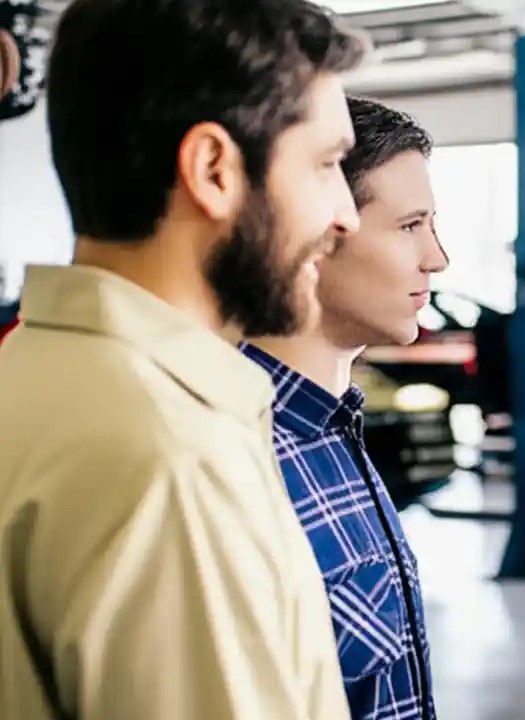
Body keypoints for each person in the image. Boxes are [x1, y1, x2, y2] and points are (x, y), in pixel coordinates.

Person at [0, 1, 365, 718]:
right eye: (326, 164)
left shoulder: (28, 376)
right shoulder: (171, 456)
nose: (346, 214)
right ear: (213, 170)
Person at [242, 95, 448, 720]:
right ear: (317, 226)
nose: (436, 257)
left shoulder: (332, 430)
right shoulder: (238, 453)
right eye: (410, 226)